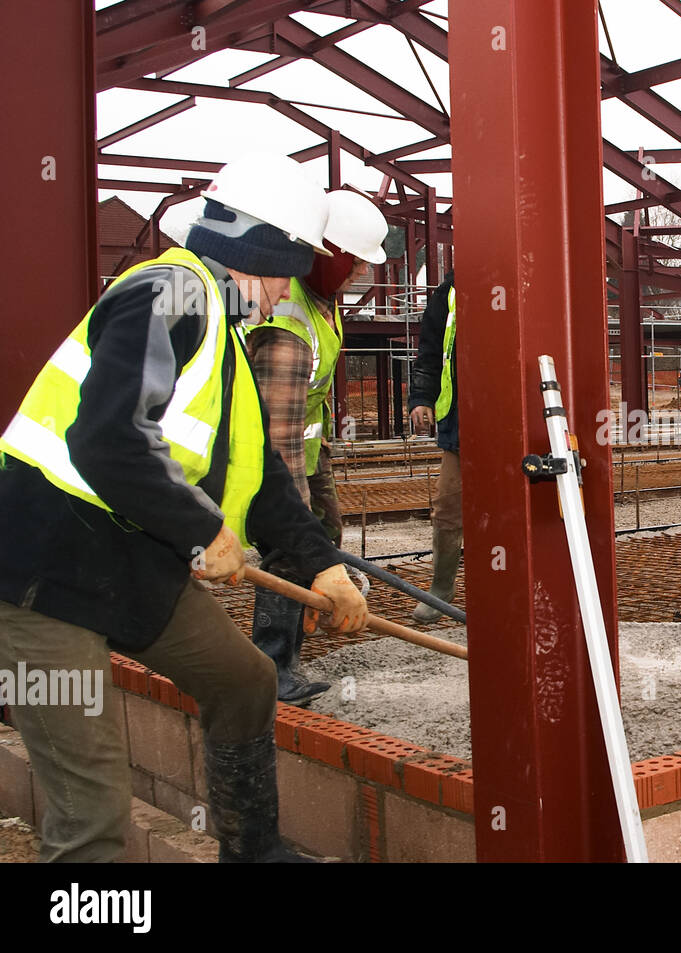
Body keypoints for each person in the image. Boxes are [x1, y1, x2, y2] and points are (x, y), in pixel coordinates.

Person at [0, 153, 368, 862]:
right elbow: (106, 439)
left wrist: (322, 566)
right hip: (45, 569)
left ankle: (253, 852)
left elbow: (262, 486)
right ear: (259, 252)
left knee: (245, 680)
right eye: (283, 274)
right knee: (92, 814)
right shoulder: (170, 293)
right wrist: (201, 528)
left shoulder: (224, 337)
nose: (281, 295)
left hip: (129, 556)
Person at [244, 188, 388, 705]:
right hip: (278, 460)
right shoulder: (289, 322)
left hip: (309, 450)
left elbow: (308, 410)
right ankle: (273, 666)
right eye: (354, 266)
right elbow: (277, 433)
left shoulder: (323, 305)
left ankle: (297, 638)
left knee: (324, 534)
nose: (358, 278)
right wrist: (294, 508)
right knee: (288, 552)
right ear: (332, 257)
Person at [407, 271, 460, 623]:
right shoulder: (450, 291)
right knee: (449, 504)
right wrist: (422, 397)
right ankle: (441, 591)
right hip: (463, 420)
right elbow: (430, 349)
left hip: (517, 417)